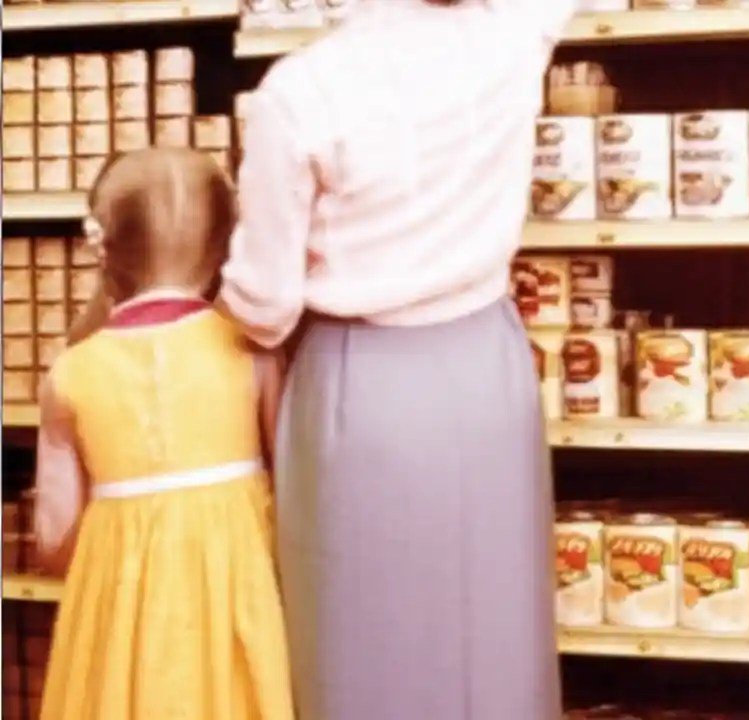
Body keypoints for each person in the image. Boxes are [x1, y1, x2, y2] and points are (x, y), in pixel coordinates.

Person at [219, 0, 577, 717]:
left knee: (359, 635)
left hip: (360, 383)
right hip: (485, 372)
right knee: (492, 628)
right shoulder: (513, 30)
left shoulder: (299, 91)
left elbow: (265, 302)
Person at [33, 148, 294, 720]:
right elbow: (294, 485)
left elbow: (53, 538)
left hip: (118, 610)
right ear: (226, 246)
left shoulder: (71, 372)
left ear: (106, 251)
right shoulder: (251, 350)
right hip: (233, 594)